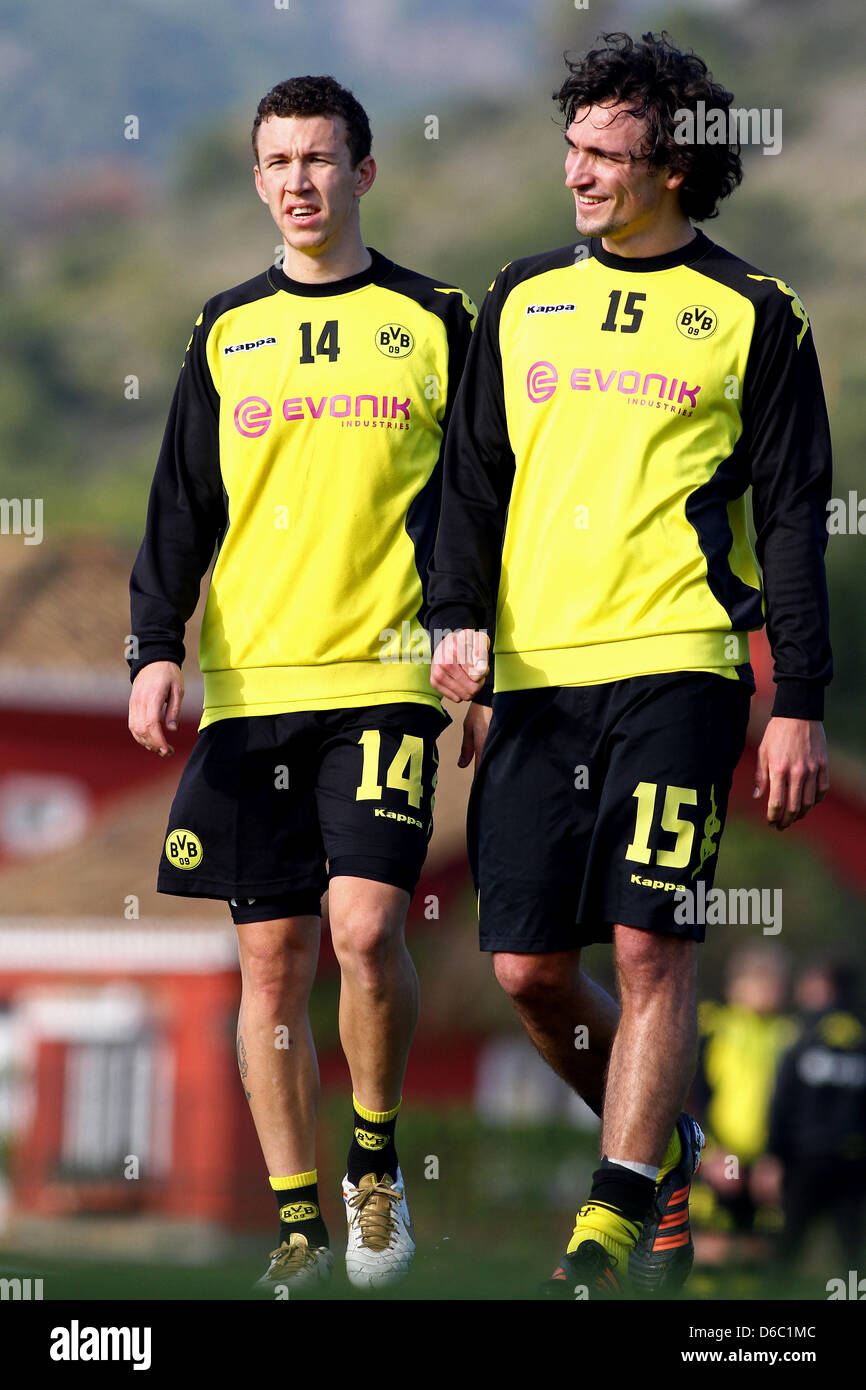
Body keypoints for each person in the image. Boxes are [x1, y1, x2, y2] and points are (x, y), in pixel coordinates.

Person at [427, 30, 832, 1297]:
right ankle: (664, 1152)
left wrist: (796, 702)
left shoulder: (755, 315)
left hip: (680, 669)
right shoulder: (518, 296)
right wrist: (458, 621)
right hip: (539, 679)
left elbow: (792, 520)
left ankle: (606, 1216)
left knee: (652, 945)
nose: (579, 173)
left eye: (607, 154)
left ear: (672, 171)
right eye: (573, 146)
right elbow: (468, 487)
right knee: (528, 971)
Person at [127, 75, 475, 1292]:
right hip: (250, 685)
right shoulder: (225, 328)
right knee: (270, 959)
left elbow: (483, 506)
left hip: (383, 676)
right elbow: (183, 501)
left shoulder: (438, 319)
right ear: (257, 177)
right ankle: (296, 1225)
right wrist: (152, 645)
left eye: (320, 159)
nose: (298, 182)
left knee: (365, 927)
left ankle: (372, 1168)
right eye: (278, 161)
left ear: (364, 172)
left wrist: (475, 642)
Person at [766, 958, 866, 1271]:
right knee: (853, 1253)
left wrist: (773, 1154)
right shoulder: (861, 1033)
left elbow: (782, 1098)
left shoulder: (801, 1033)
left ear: (825, 987)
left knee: (787, 1248)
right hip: (853, 1160)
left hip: (804, 1159)